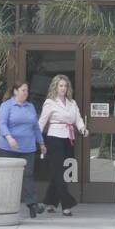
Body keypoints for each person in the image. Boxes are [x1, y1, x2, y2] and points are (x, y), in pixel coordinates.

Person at [38, 74, 88, 215]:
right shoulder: (50, 102)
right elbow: (41, 122)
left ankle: (50, 202)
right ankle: (67, 203)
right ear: (55, 87)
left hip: (68, 138)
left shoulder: (72, 103)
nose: (63, 88)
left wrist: (82, 128)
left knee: (58, 172)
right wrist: (39, 140)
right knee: (59, 172)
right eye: (61, 85)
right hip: (54, 138)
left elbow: (77, 119)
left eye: (65, 86)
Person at [0, 81, 46, 218]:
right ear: (15, 91)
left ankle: (33, 205)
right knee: (8, 177)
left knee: (28, 175)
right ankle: (5, 205)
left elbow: (35, 127)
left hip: (28, 147)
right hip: (8, 147)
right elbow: (2, 123)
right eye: (23, 90)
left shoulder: (30, 107)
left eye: (27, 90)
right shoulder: (7, 106)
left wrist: (41, 143)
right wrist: (9, 137)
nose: (26, 93)